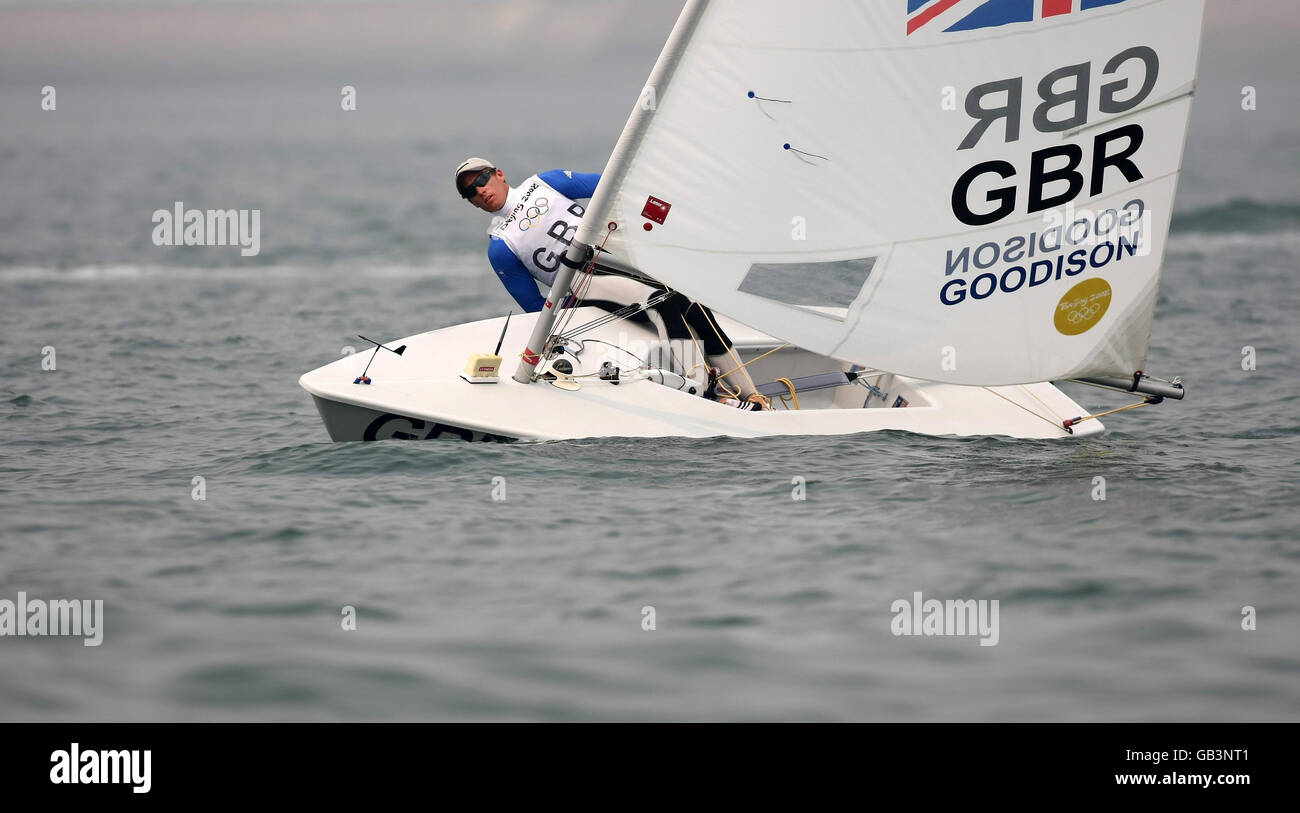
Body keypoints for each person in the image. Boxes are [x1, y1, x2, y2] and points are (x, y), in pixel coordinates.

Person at [454, 157, 760, 404]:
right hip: (584, 283)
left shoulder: (546, 182)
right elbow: (536, 307)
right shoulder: (500, 245)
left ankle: (752, 396)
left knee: (694, 306)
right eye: (470, 193)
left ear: (499, 174)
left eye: (481, 180)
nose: (479, 190)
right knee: (664, 303)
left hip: (616, 258)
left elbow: (610, 185)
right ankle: (703, 393)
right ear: (472, 203)